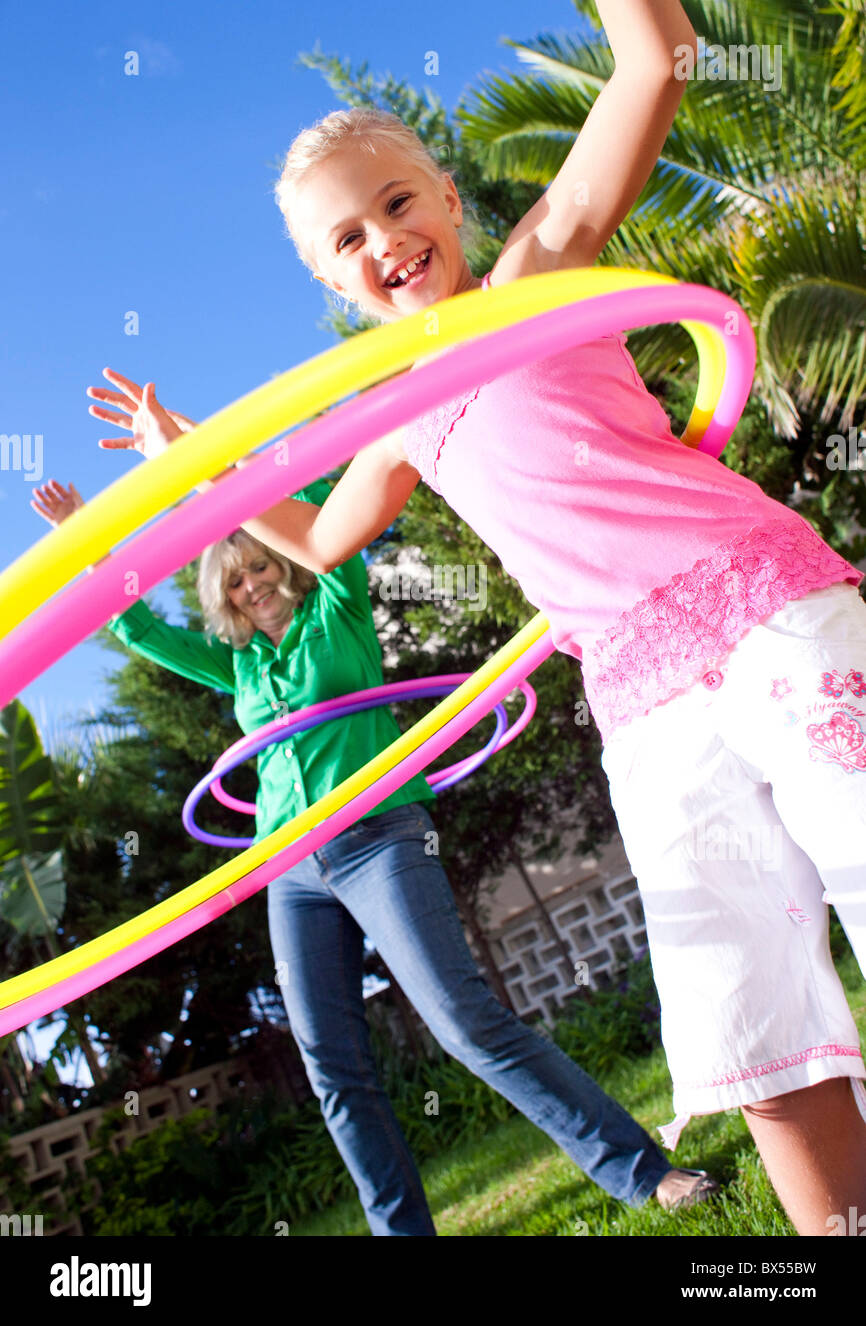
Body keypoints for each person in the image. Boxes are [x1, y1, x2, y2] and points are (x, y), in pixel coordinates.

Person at [84, 0, 866, 1235]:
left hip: (761, 610)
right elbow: (319, 539)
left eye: (398, 201)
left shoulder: (533, 273)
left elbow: (654, 64)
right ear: (326, 278)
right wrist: (188, 458)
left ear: (447, 197)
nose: (384, 240)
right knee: (749, 1021)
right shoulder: (395, 416)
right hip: (641, 702)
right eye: (347, 237)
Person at [32, 476, 715, 1236]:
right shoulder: (239, 665)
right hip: (290, 870)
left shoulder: (337, 607)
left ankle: (640, 1171)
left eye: (260, 564)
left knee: (462, 1019)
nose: (253, 584)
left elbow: (331, 512)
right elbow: (138, 629)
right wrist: (86, 538)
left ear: (284, 562)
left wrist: (236, 471)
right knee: (331, 1066)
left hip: (380, 838)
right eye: (235, 580)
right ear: (224, 599)